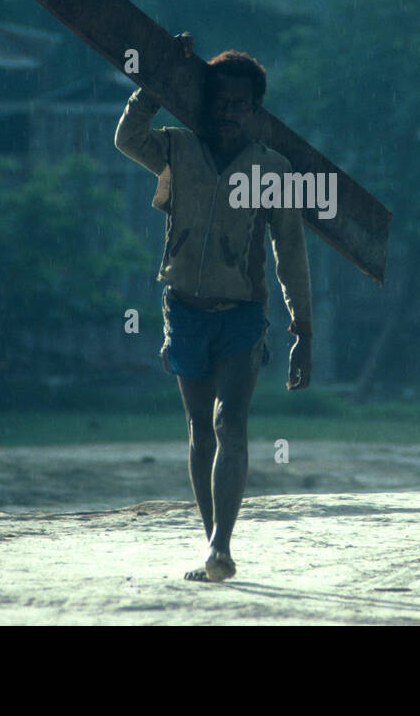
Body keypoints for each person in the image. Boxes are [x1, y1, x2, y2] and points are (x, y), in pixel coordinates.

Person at [114, 37, 313, 582]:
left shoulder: (271, 169)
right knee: (201, 429)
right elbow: (127, 137)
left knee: (232, 422)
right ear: (207, 105)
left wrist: (304, 329)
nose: (229, 113)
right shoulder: (176, 148)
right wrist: (153, 84)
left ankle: (221, 547)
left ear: (256, 110)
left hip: (242, 315)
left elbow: (289, 252)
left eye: (240, 105)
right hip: (184, 309)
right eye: (221, 103)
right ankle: (213, 543)